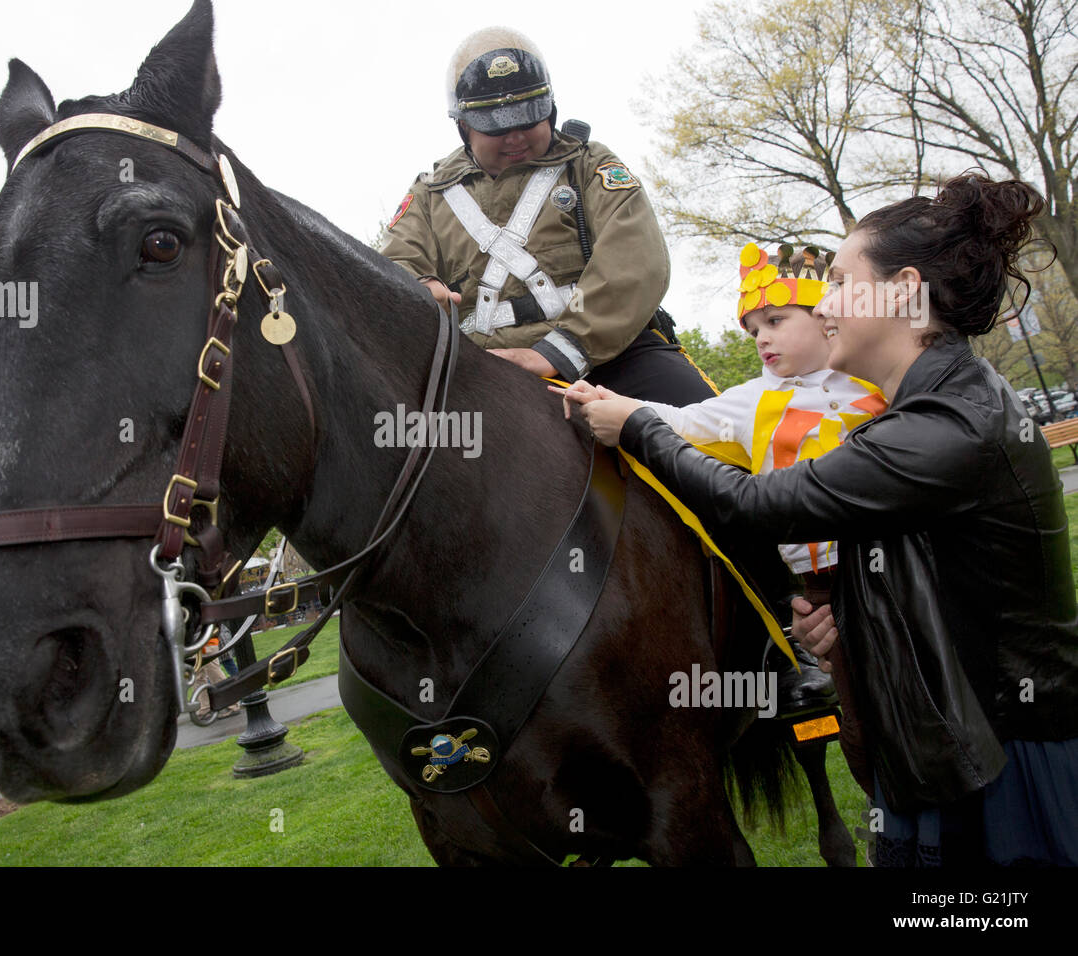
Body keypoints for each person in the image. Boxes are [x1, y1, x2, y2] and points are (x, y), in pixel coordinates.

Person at [562, 173, 1078, 866]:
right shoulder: (934, 401)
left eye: (837, 282)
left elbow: (757, 506)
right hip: (959, 735)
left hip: (1005, 761)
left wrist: (635, 426)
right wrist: (845, 620)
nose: (823, 303)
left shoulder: (951, 423)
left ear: (901, 290)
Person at [555, 242, 888, 718]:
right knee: (862, 709)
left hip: (895, 562)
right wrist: (611, 400)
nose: (761, 339)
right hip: (820, 586)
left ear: (825, 317)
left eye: (776, 321)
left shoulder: (875, 380)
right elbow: (680, 423)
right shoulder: (754, 400)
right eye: (754, 329)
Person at [380, 27, 716, 405]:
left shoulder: (589, 164)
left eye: (527, 121)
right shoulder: (430, 195)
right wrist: (420, 289)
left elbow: (635, 262)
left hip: (611, 356)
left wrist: (557, 352)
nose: (515, 138)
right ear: (463, 126)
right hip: (479, 366)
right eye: (498, 128)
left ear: (549, 109)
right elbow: (394, 264)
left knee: (716, 437)